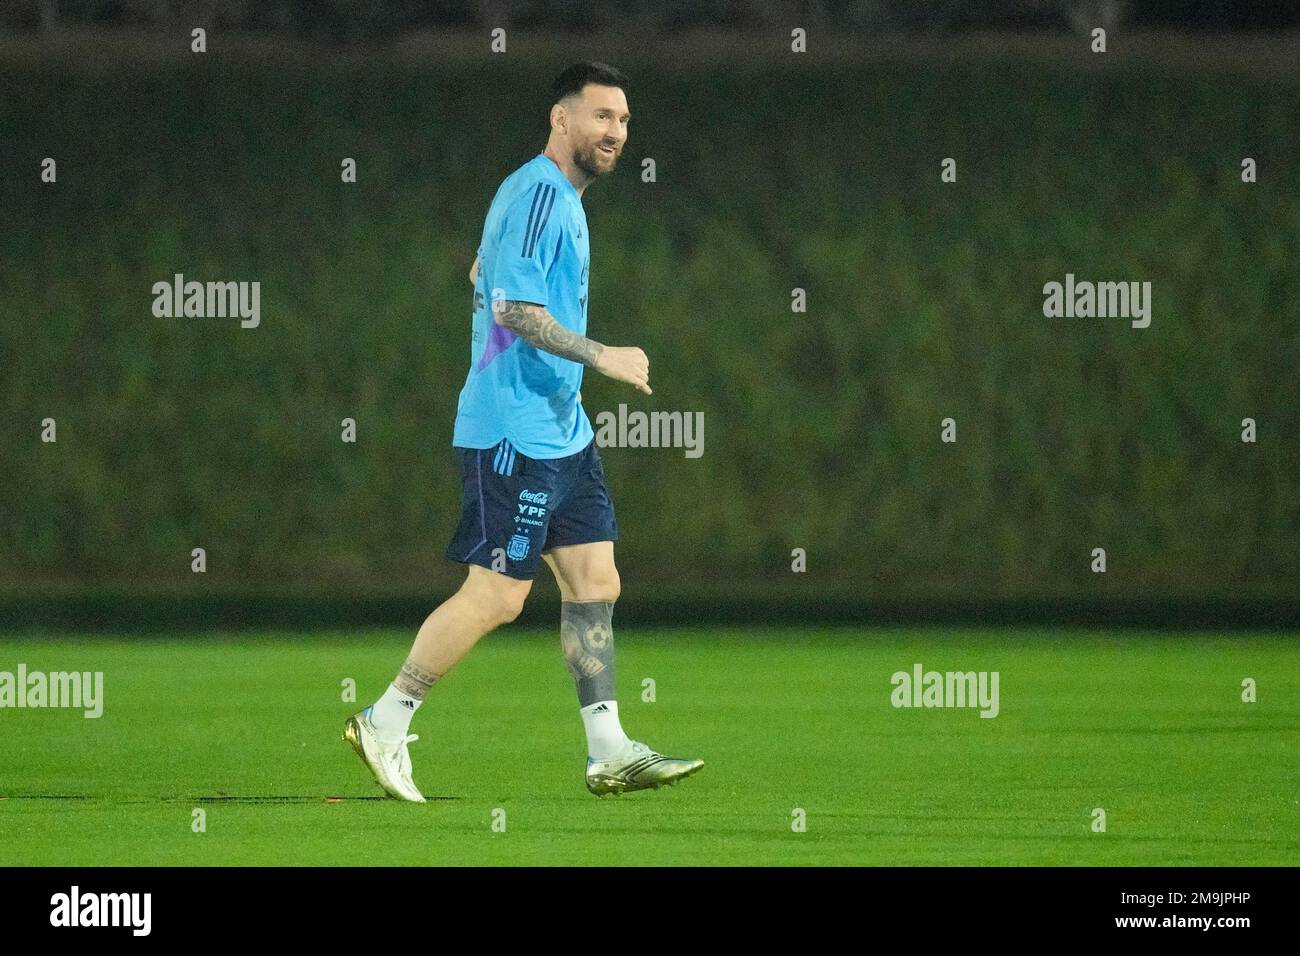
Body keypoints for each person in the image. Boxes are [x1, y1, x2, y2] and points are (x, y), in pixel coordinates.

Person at [343, 62, 703, 802]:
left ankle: (608, 750)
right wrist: (603, 354)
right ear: (561, 119)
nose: (616, 132)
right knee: (499, 596)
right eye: (602, 116)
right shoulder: (541, 190)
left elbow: (488, 274)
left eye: (625, 120)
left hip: (560, 430)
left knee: (595, 579)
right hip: (514, 432)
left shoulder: (543, 196)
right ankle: (386, 717)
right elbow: (512, 308)